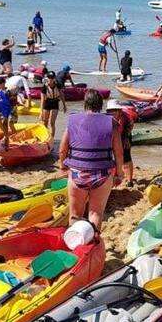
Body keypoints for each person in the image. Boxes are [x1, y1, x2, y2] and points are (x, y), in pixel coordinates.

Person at [58, 90, 124, 231]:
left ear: (85, 104)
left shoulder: (73, 120)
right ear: (101, 105)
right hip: (102, 174)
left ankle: (76, 247)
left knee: (75, 215)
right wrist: (119, 174)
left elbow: (62, 149)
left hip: (77, 173)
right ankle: (92, 244)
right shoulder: (112, 123)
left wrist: (62, 166)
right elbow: (118, 153)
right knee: (95, 213)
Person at [106, 99, 135, 187]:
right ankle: (114, 175)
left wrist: (126, 137)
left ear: (119, 111)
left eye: (114, 110)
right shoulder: (107, 118)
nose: (112, 112)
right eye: (110, 111)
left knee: (126, 157)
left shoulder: (126, 117)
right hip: (113, 135)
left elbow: (131, 125)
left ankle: (130, 181)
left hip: (124, 135)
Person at [40, 72, 66, 137]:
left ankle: (52, 139)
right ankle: (45, 137)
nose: (51, 79)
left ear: (54, 78)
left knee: (52, 122)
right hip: (47, 103)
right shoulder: (44, 87)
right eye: (49, 78)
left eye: (52, 78)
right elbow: (42, 100)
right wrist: (41, 112)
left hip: (55, 103)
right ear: (47, 78)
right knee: (45, 122)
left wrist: (64, 105)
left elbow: (62, 95)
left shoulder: (58, 85)